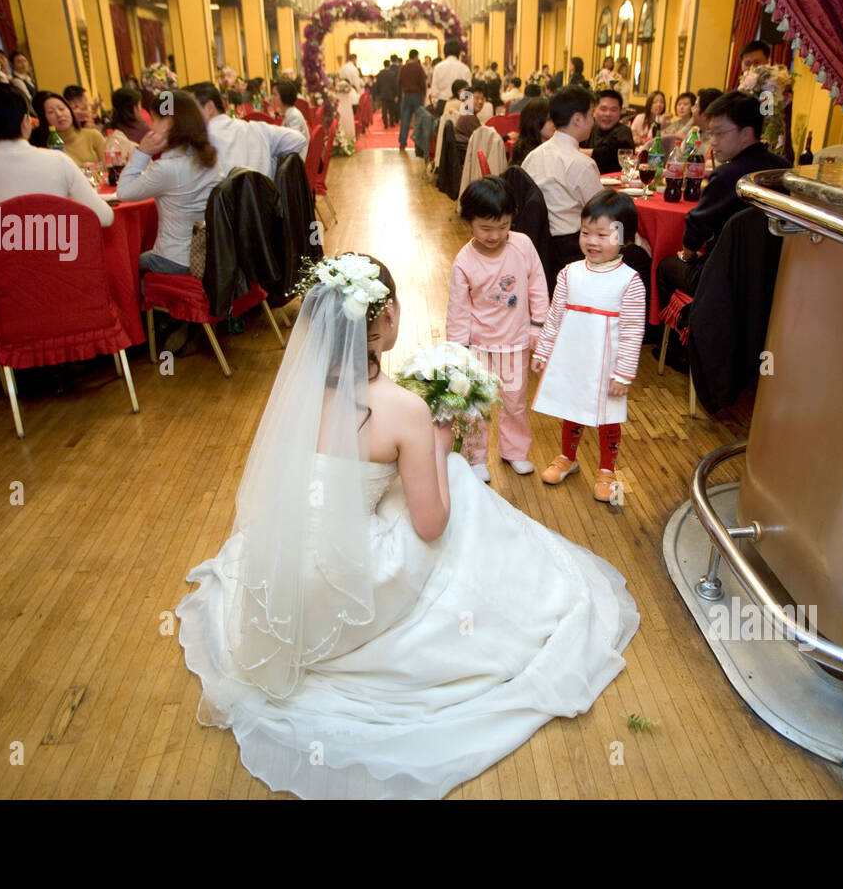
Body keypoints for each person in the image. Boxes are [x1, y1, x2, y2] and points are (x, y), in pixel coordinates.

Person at [174, 252, 639, 799]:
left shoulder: (294, 397)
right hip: (351, 585)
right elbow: (430, 527)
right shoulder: (402, 409)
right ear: (388, 314)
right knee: (460, 488)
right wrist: (441, 445)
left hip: (281, 577)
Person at [654, 91, 790, 366]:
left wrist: (688, 254)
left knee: (667, 267)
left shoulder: (729, 175)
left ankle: (685, 348)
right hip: (773, 274)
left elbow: (695, 227)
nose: (712, 142)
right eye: (710, 134)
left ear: (746, 132)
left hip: (723, 274)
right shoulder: (784, 169)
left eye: (719, 133)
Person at [531, 191, 646, 504]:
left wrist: (623, 374)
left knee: (609, 419)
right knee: (572, 412)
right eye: (585, 233)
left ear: (625, 238)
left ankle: (607, 470)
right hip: (573, 362)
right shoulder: (570, 274)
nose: (591, 241)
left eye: (603, 234)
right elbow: (555, 316)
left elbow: (634, 331)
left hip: (607, 368)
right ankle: (567, 457)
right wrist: (543, 350)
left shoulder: (630, 281)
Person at [447, 178, 549, 482]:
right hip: (479, 345)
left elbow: (537, 287)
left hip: (516, 342)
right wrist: (458, 350)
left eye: (503, 226)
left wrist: (538, 329)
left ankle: (514, 451)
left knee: (515, 401)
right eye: (486, 228)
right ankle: (475, 457)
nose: (495, 235)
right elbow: (458, 310)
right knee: (474, 405)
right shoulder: (464, 261)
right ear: (469, 223)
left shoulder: (523, 245)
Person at [116, 89, 223, 355]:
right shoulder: (208, 158)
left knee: (128, 266)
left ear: (171, 124)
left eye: (155, 119)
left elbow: (124, 192)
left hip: (177, 260)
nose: (151, 125)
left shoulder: (167, 169)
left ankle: (158, 327)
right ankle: (182, 321)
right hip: (208, 254)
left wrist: (141, 152)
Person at [0, 81, 112, 229]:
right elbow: (104, 217)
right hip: (65, 261)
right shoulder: (57, 159)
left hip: (3, 267)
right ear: (26, 121)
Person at [520, 85, 602, 292]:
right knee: (638, 256)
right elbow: (604, 216)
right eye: (591, 114)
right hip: (572, 251)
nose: (594, 120)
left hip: (536, 246)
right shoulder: (581, 164)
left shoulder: (533, 156)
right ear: (577, 119)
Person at [185, 82, 306, 178]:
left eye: (189, 110)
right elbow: (298, 140)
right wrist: (270, 164)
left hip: (225, 208)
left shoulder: (198, 144)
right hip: (265, 205)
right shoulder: (258, 129)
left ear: (209, 108)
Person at [32, 90, 106, 166]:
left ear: (70, 110)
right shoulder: (47, 147)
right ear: (44, 118)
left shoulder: (92, 136)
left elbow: (109, 165)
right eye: (51, 112)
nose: (59, 114)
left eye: (61, 109)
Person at [581, 89, 635, 175]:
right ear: (594, 110)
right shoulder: (590, 128)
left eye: (613, 110)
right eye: (603, 109)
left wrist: (575, 150)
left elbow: (607, 154)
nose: (607, 114)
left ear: (620, 112)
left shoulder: (623, 131)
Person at [268, 79, 310, 159]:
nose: (271, 97)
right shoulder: (288, 112)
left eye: (274, 94)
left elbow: (292, 142)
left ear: (284, 96)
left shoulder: (294, 116)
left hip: (296, 159)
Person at [509, 97, 553, 169]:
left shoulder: (550, 147)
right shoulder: (530, 155)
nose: (555, 124)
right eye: (549, 119)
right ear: (535, 121)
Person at [429, 40, 472, 114]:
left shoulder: (438, 67)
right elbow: (468, 91)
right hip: (459, 103)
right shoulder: (465, 68)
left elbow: (434, 90)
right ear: (458, 52)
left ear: (445, 52)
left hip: (442, 103)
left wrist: (437, 105)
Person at [397, 49, 427, 152]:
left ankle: (402, 143)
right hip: (417, 96)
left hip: (406, 95)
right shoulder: (419, 68)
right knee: (419, 120)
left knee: (405, 120)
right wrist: (424, 94)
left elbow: (399, 82)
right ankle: (418, 145)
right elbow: (422, 82)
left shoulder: (403, 68)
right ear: (416, 56)